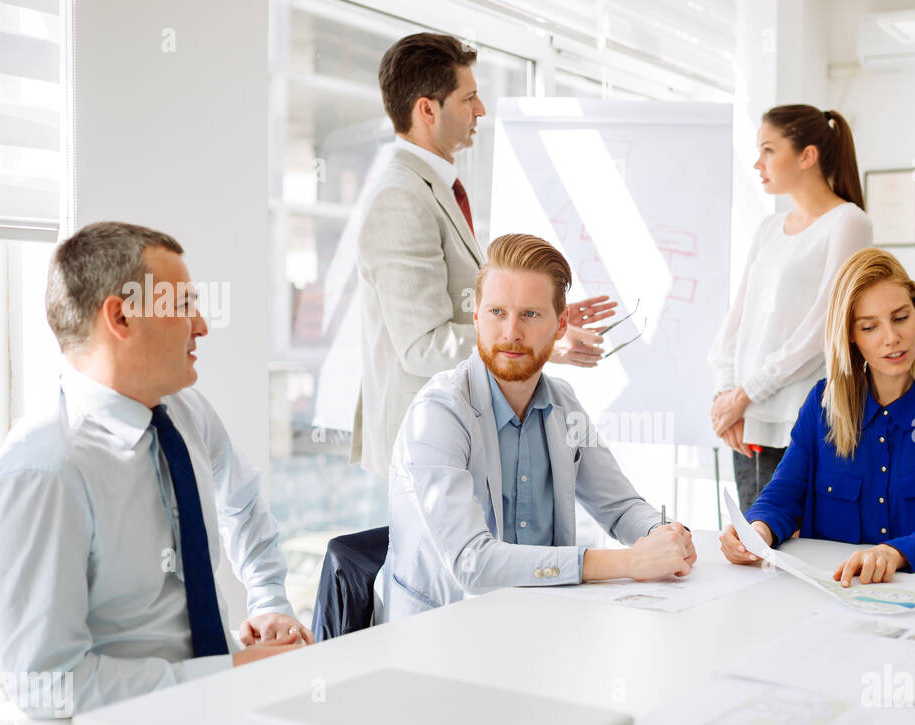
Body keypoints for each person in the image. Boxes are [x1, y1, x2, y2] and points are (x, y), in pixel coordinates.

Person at [0, 222, 393, 725]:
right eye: (185, 305)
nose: (202, 325)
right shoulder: (44, 473)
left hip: (209, 714)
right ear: (121, 317)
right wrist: (226, 675)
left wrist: (270, 600)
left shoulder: (182, 413)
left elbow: (242, 500)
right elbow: (46, 688)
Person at [375, 233, 696, 620]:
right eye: (497, 312)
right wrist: (627, 562)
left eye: (530, 314)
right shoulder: (440, 412)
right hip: (444, 634)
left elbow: (620, 506)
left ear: (561, 325)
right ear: (476, 315)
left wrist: (664, 533)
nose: (511, 332)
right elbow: (471, 564)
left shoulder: (563, 404)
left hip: (543, 623)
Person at [352, 32, 614, 477]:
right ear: (427, 109)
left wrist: (539, 316)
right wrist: (536, 341)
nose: (481, 111)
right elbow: (422, 346)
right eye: (469, 97)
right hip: (425, 450)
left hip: (453, 439)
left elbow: (469, 310)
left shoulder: (433, 188)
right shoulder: (400, 198)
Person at [719, 247, 915, 585]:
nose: (891, 338)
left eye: (900, 317)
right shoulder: (822, 403)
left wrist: (893, 553)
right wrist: (756, 531)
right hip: (831, 593)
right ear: (850, 334)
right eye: (869, 327)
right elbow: (784, 493)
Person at [708, 104, 874, 510]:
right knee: (751, 548)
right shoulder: (769, 228)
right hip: (748, 418)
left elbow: (823, 329)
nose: (757, 163)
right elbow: (737, 319)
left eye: (768, 149)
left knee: (793, 550)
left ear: (807, 155)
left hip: (796, 418)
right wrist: (725, 394)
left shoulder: (848, 223)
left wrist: (746, 393)